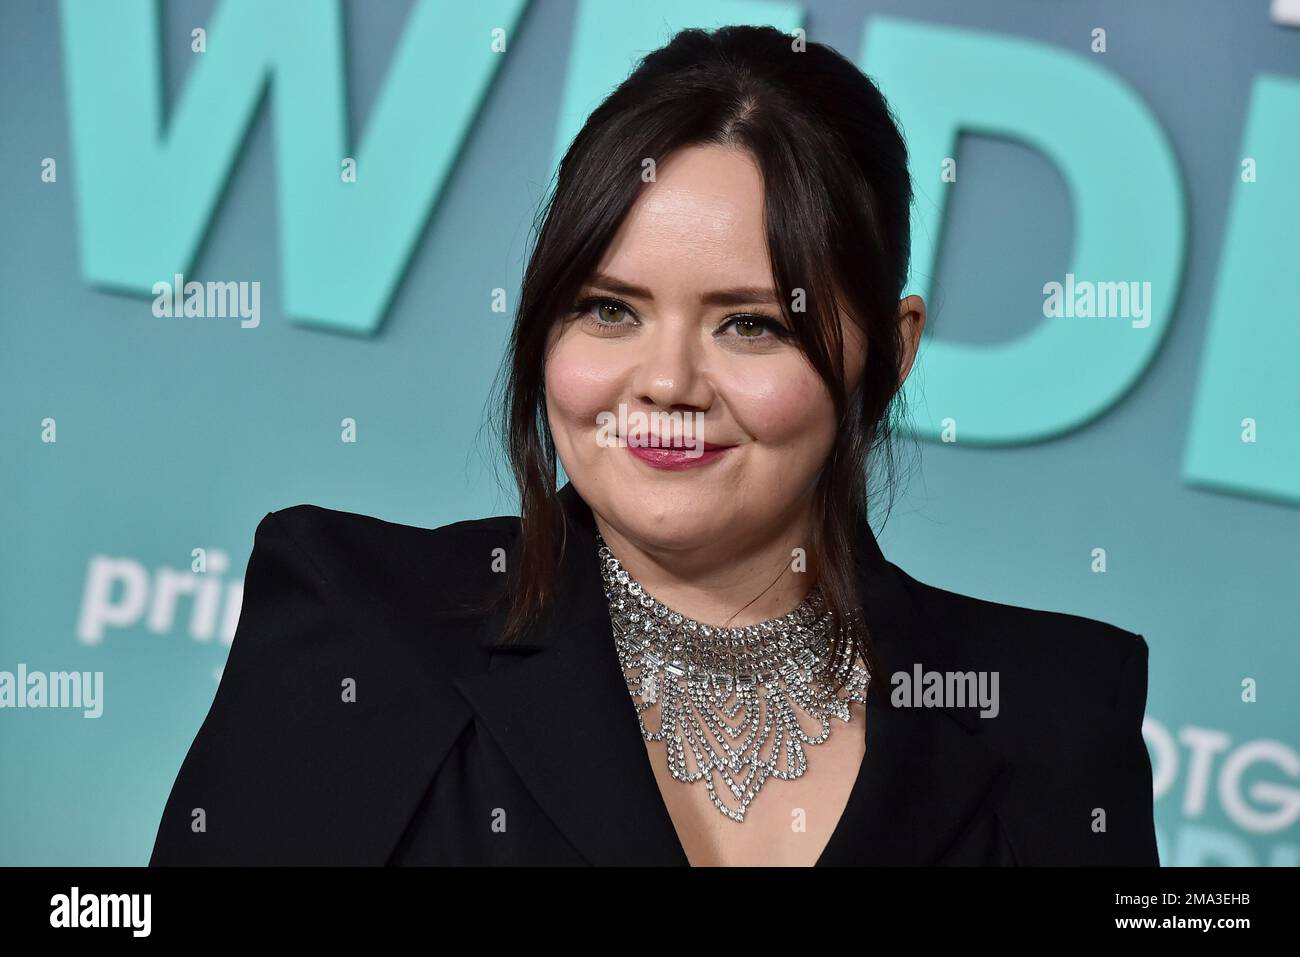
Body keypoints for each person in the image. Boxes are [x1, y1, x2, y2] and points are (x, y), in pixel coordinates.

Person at [149, 24, 1158, 867]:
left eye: (750, 324)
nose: (667, 383)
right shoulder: (356, 629)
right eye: (609, 310)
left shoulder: (1055, 714)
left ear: (888, 353)